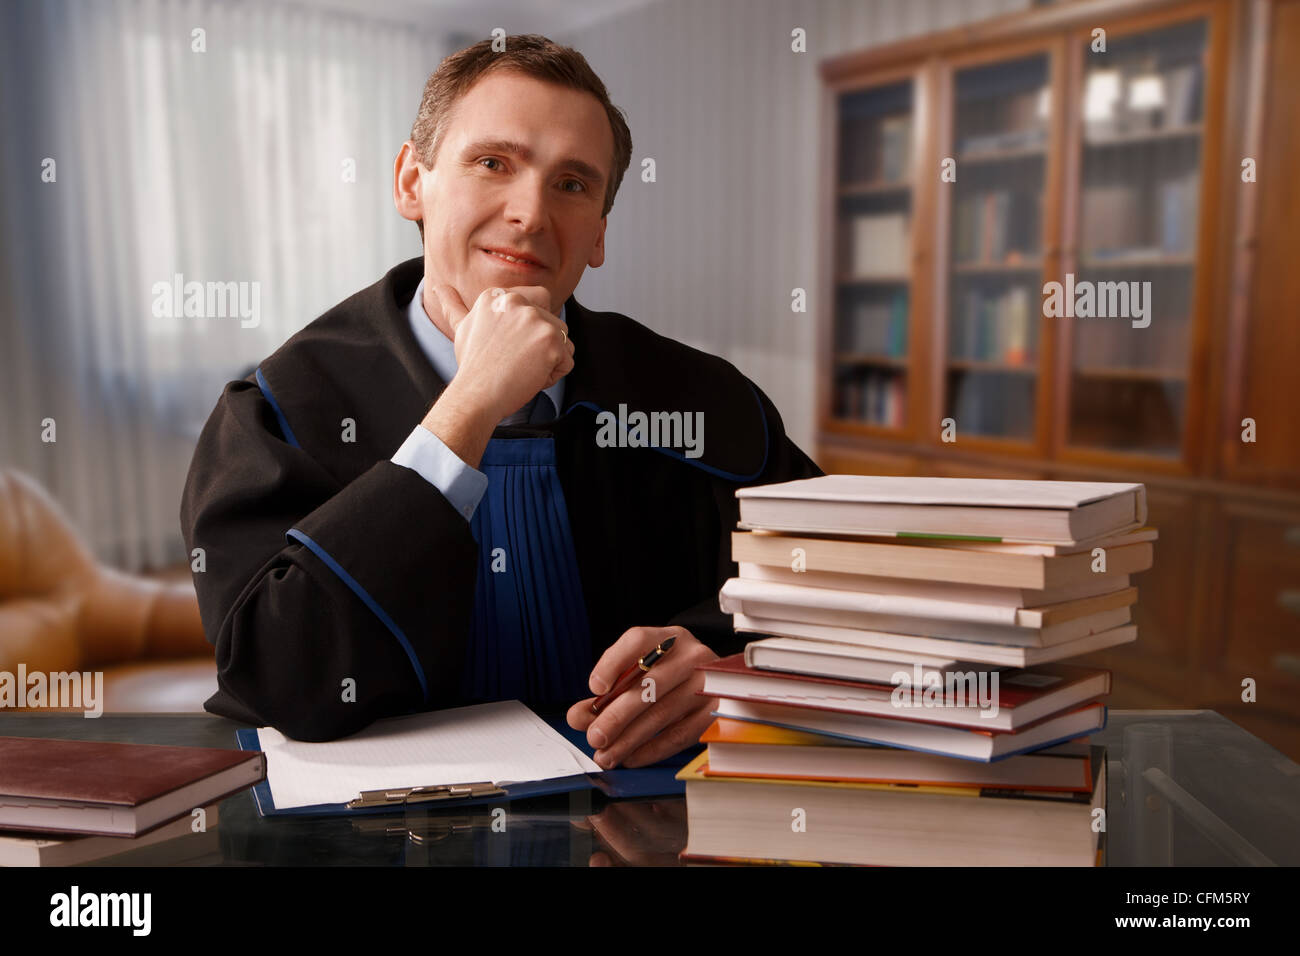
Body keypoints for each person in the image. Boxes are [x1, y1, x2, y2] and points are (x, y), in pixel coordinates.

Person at [180, 34, 822, 768]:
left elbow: (836, 581)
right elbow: (277, 677)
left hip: (632, 822)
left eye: (573, 184)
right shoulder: (274, 410)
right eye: (493, 163)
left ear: (600, 234)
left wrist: (724, 658)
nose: (530, 213)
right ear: (410, 180)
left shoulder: (703, 400)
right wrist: (471, 405)